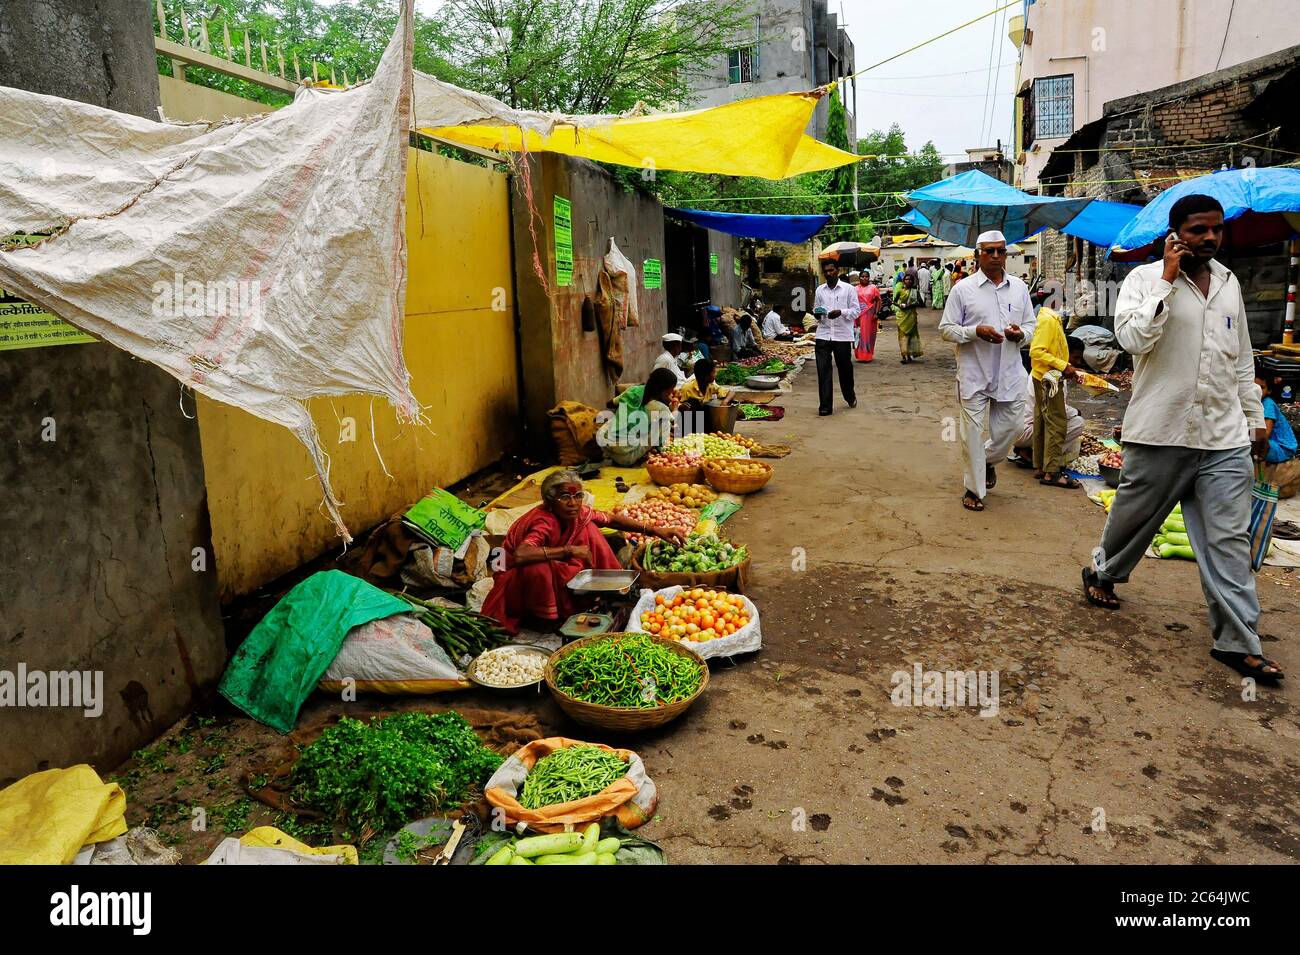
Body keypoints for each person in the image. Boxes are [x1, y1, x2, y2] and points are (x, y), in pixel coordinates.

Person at [1082, 194, 1282, 683]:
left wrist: (1254, 417)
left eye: (1216, 229)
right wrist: (1168, 280)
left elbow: (1240, 360)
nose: (1209, 238)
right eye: (1197, 230)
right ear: (1175, 234)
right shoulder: (1144, 280)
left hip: (1223, 436)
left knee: (1227, 540)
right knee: (1134, 519)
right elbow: (1132, 341)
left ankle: (1238, 642)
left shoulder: (1231, 284)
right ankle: (1103, 572)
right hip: (1161, 430)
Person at [481, 469, 687, 634]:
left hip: (553, 559)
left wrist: (655, 530)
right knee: (540, 569)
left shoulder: (579, 512)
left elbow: (612, 519)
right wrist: (569, 551)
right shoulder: (544, 521)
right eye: (565, 497)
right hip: (516, 574)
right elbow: (521, 555)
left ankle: (606, 592)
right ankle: (544, 619)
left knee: (588, 528)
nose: (573, 503)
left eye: (577, 496)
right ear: (550, 501)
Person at [939, 230, 1036, 512]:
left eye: (1000, 251)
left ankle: (989, 460)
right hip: (973, 372)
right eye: (989, 251)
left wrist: (1021, 335)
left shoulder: (1019, 288)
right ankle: (973, 489)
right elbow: (946, 329)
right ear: (977, 255)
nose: (995, 256)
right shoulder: (962, 290)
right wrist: (975, 332)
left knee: (1014, 428)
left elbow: (1031, 325)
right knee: (971, 433)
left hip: (1009, 371)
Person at [1028, 307, 1082, 488]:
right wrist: (1063, 365)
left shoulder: (1051, 320)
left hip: (1047, 375)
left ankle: (1041, 467)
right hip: (1047, 378)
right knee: (1057, 422)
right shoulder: (1048, 321)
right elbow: (1036, 351)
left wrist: (1064, 367)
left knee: (1043, 421)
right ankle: (1052, 472)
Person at [596, 367, 678, 466]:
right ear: (664, 390)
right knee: (664, 423)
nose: (671, 393)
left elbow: (609, 404)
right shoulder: (660, 408)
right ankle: (650, 454)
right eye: (670, 391)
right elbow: (674, 422)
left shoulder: (634, 390)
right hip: (626, 457)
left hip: (606, 446)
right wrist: (674, 408)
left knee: (618, 419)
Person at [813, 258, 860, 416]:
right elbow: (816, 310)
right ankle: (825, 406)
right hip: (823, 335)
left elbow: (856, 311)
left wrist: (841, 312)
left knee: (845, 369)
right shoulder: (820, 290)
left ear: (837, 271)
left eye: (831, 270)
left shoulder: (848, 289)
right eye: (825, 271)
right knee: (823, 370)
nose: (828, 273)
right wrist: (818, 314)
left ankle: (849, 395)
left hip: (842, 336)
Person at [1008, 373, 1084, 468]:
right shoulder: (1051, 376)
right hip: (1024, 430)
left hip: (1015, 429)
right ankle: (1040, 458)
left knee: (1060, 420)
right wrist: (1076, 411)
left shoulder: (1039, 370)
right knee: (1077, 423)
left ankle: (1031, 451)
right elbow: (1056, 409)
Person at [1257, 376, 1298, 465]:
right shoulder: (1253, 404)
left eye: (1262, 388)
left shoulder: (1267, 403)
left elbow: (1265, 434)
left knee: (1247, 444)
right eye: (1253, 386)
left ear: (1269, 390)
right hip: (1270, 443)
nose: (1256, 391)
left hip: (1282, 448)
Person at [892, 271, 923, 363]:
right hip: (902, 316)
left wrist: (912, 304)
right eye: (906, 279)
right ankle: (904, 356)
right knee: (902, 336)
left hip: (911, 316)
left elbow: (921, 303)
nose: (908, 281)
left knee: (910, 336)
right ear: (903, 281)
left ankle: (909, 355)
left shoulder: (915, 291)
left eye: (910, 279)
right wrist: (900, 305)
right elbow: (894, 302)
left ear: (912, 281)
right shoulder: (900, 291)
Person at [854, 271, 881, 362]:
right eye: (862, 276)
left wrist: (876, 313)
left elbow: (878, 300)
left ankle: (867, 355)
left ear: (869, 278)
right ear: (859, 278)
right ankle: (860, 354)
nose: (864, 278)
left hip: (870, 315)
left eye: (866, 276)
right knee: (859, 334)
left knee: (868, 335)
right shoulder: (855, 289)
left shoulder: (873, 288)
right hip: (858, 315)